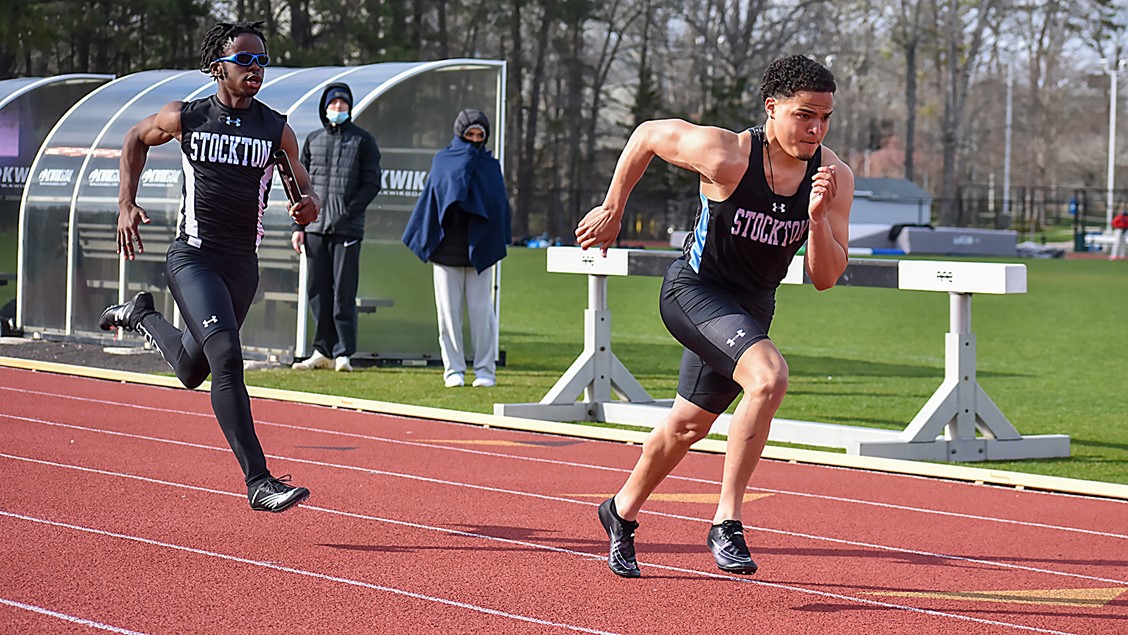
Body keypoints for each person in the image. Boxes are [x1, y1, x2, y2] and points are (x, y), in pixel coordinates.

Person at [576, 55, 853, 577]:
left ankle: (619, 512)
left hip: (749, 308)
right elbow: (647, 135)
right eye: (803, 115)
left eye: (825, 117)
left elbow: (826, 276)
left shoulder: (833, 176)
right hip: (695, 291)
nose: (815, 128)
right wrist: (613, 208)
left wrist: (816, 221)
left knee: (686, 426)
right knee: (769, 378)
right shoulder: (726, 154)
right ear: (772, 109)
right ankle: (727, 521)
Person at [99, 20, 321, 513]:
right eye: (244, 60)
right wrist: (125, 204)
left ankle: (141, 315)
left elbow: (303, 188)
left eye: (261, 60)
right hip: (193, 257)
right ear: (217, 66)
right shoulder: (186, 116)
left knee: (193, 369)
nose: (255, 69)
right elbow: (135, 138)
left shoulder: (274, 127)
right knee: (227, 358)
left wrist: (310, 206)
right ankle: (259, 481)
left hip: (242, 265)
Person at [402, 109, 511, 388]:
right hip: (446, 247)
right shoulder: (443, 160)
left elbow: (498, 204)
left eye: (479, 135)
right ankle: (453, 369)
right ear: (459, 133)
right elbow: (433, 199)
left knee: (481, 312)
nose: (474, 140)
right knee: (448, 313)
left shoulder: (490, 165)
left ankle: (486, 370)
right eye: (469, 134)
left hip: (480, 247)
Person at [290, 82, 382, 372]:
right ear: (325, 107)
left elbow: (372, 183)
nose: (338, 108)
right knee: (318, 291)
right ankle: (322, 350)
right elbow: (298, 184)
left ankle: (344, 352)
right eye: (334, 103)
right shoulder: (313, 140)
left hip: (347, 230)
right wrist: (298, 226)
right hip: (315, 229)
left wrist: (348, 211)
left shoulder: (363, 141)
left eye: (343, 104)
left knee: (343, 292)